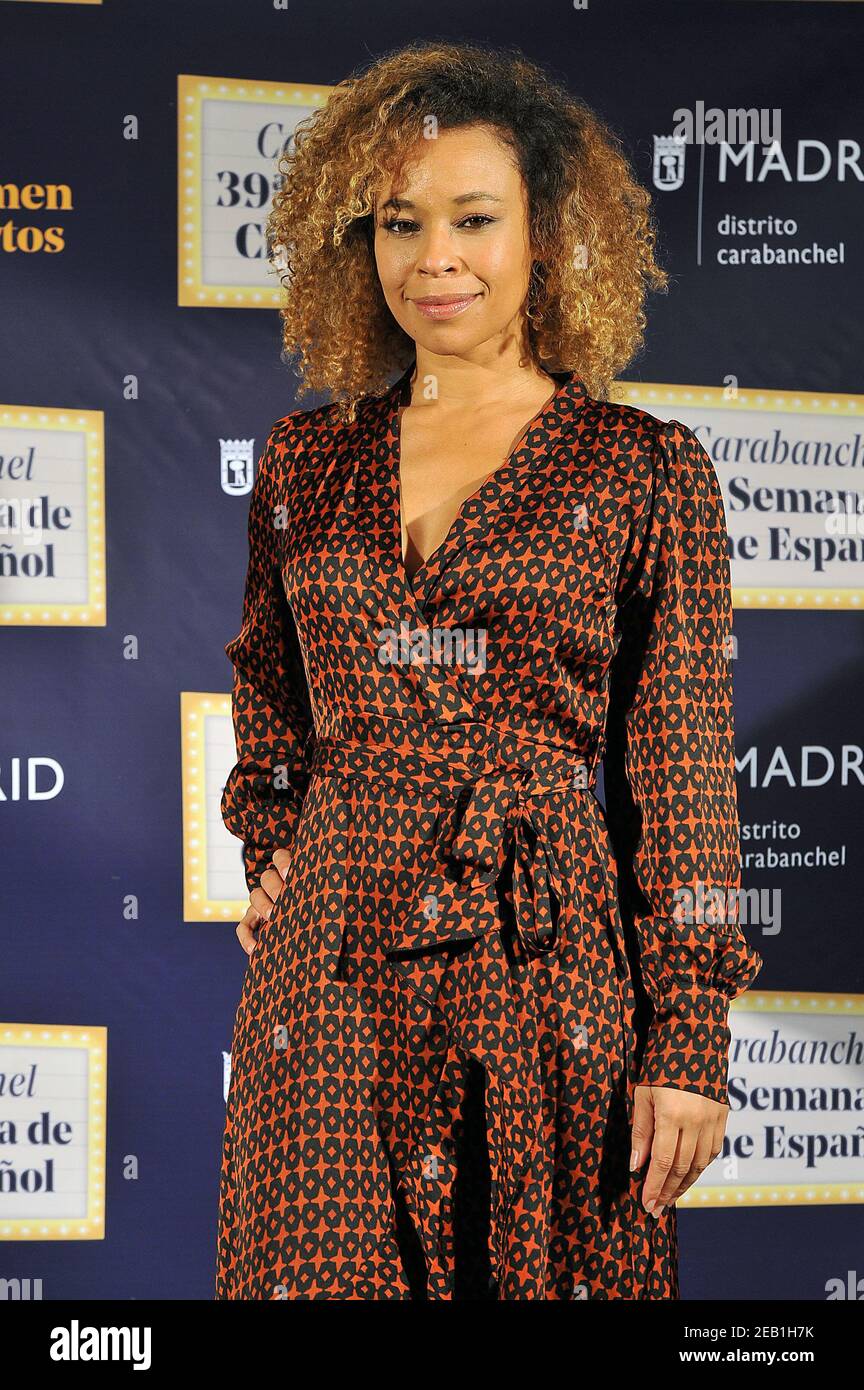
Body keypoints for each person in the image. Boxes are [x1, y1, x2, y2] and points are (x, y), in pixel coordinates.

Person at [215, 40, 763, 1301]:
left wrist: (686, 1036)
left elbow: (680, 765)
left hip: (549, 954)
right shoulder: (304, 461)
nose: (434, 259)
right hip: (334, 972)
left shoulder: (644, 467)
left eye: (473, 218)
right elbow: (271, 697)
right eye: (401, 223)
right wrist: (277, 848)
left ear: (548, 233)